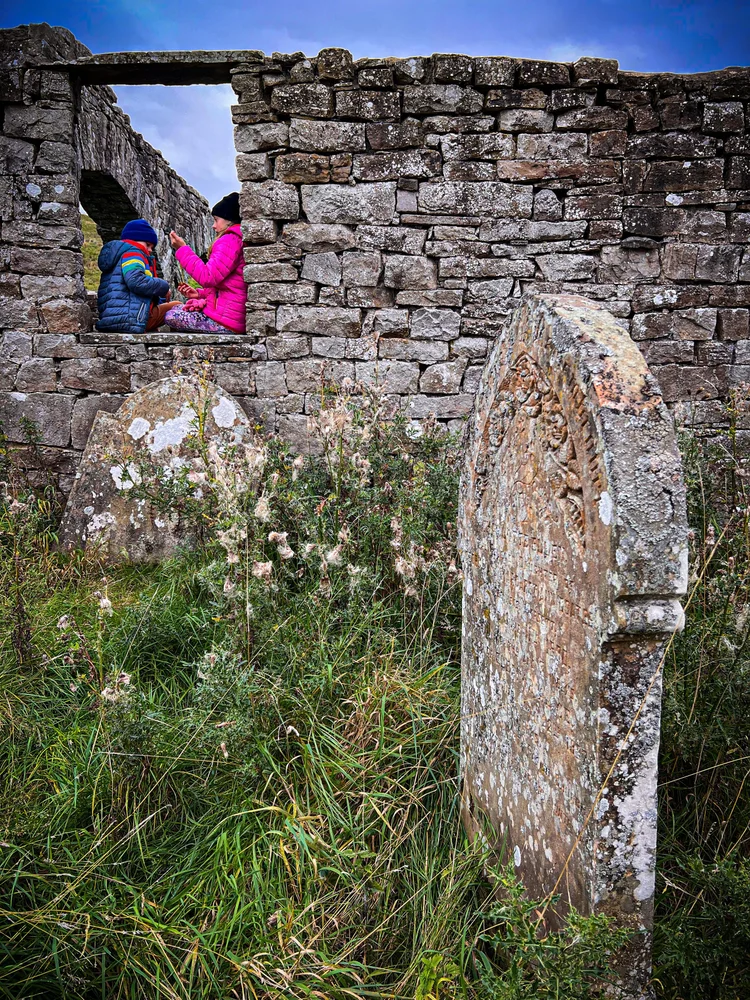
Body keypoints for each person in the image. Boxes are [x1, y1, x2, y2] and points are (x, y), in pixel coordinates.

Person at [166, 193, 246, 334]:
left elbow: (207, 276)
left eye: (216, 220)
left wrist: (182, 249)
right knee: (176, 309)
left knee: (171, 315)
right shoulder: (237, 240)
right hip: (231, 316)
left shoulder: (229, 240)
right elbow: (227, 286)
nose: (214, 226)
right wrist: (199, 294)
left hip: (225, 321)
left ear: (229, 220)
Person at [96, 219, 179, 333]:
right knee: (177, 307)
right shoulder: (133, 253)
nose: (149, 250)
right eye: (148, 245)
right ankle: (177, 345)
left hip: (114, 320)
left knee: (165, 306)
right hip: (132, 320)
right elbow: (137, 281)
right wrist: (164, 288)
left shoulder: (118, 256)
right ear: (135, 240)